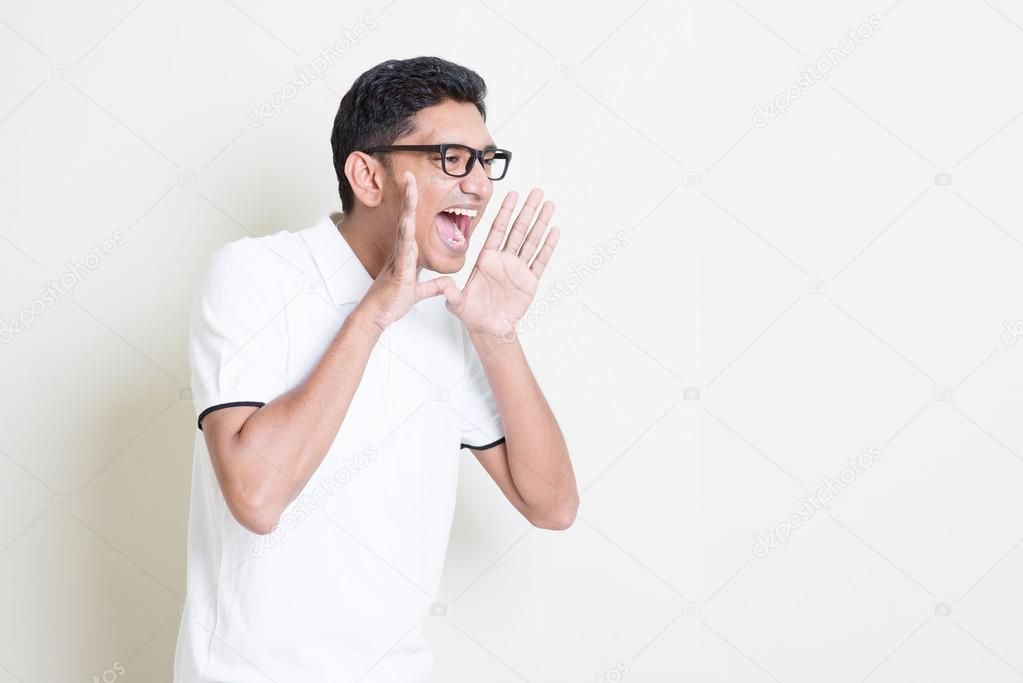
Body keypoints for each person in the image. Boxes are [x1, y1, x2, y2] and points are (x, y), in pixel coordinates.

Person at [173, 55, 578, 682]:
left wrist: (497, 336)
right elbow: (256, 496)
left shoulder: (450, 316)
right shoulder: (255, 274)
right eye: (451, 158)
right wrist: (373, 313)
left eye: (485, 161)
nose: (477, 184)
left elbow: (552, 506)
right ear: (367, 176)